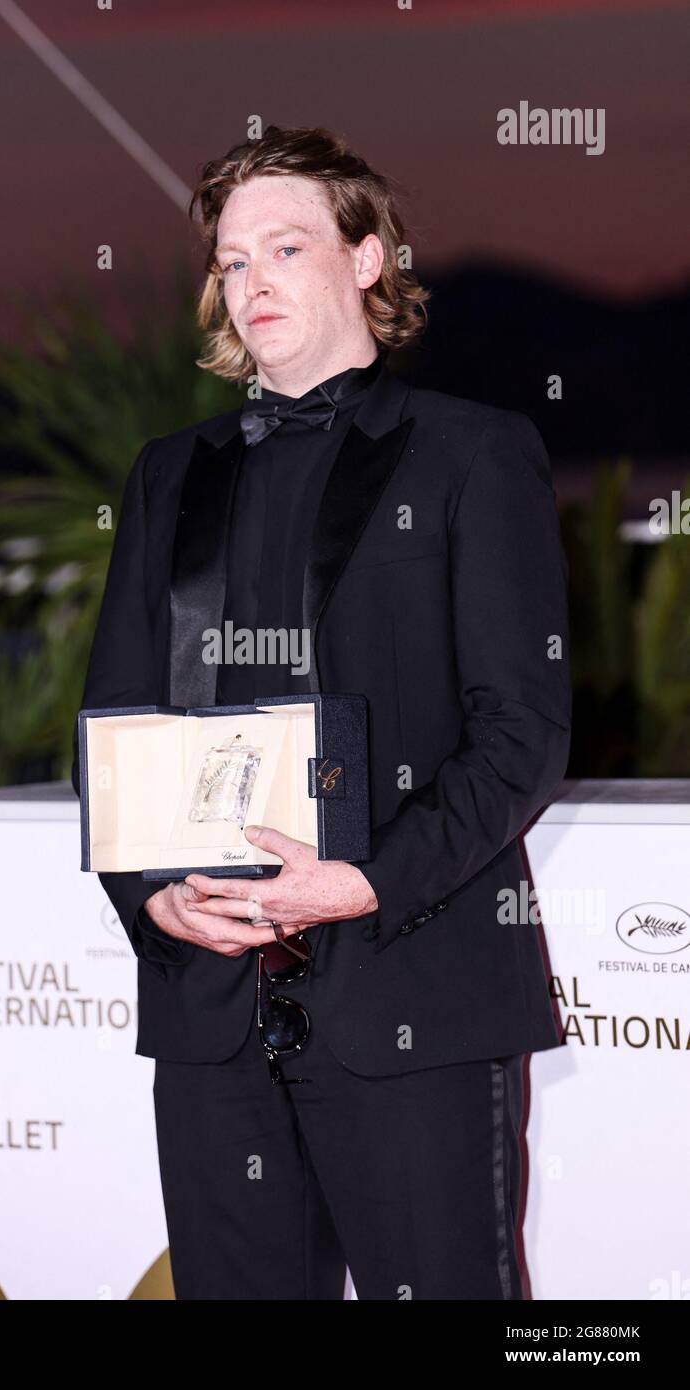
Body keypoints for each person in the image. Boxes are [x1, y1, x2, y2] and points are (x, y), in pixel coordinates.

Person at [71, 125, 571, 1301]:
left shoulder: (472, 453)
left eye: (284, 247)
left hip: (411, 990)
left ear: (367, 257)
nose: (251, 284)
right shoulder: (166, 474)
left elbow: (522, 734)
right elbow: (113, 728)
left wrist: (365, 880)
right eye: (232, 262)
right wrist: (154, 893)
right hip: (211, 1011)